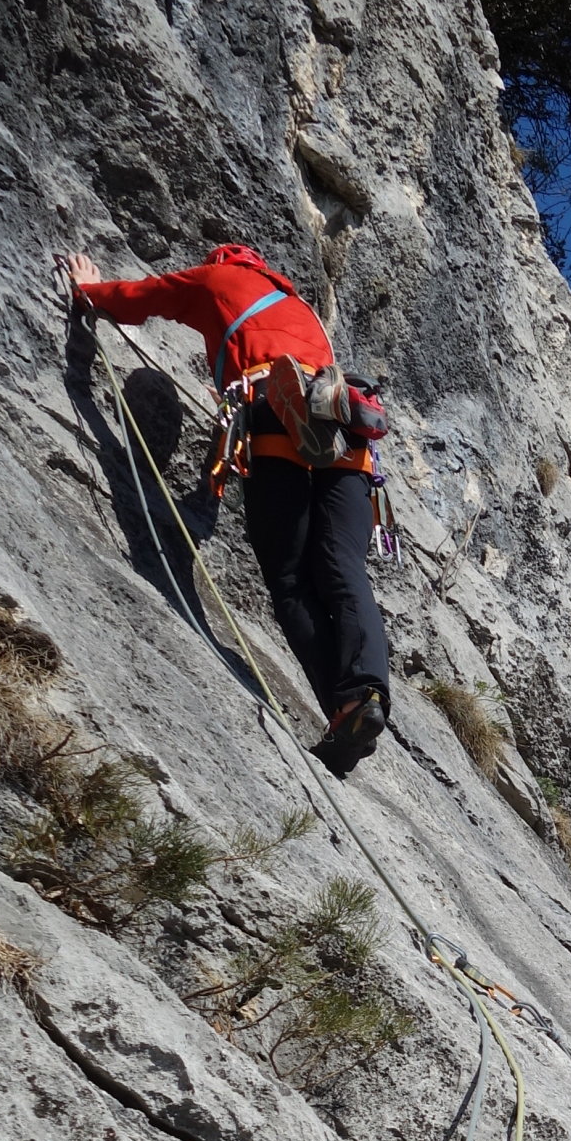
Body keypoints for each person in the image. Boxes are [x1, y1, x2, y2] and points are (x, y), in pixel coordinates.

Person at [66, 243, 393, 776]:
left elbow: (143, 296)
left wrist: (88, 291)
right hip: (349, 441)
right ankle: (364, 695)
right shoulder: (302, 310)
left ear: (222, 262)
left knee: (290, 580)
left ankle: (346, 710)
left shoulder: (218, 281)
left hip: (277, 424)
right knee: (342, 569)